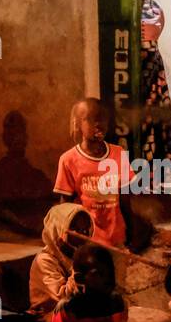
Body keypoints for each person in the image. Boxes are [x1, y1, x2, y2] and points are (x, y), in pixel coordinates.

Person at [53, 98, 130, 248]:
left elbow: (125, 200)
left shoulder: (119, 154)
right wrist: (64, 237)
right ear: (78, 124)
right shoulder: (68, 160)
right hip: (87, 242)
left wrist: (131, 233)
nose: (99, 124)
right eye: (91, 119)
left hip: (116, 239)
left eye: (103, 119)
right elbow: (65, 206)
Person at [29, 203, 93, 322]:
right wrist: (77, 262)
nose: (82, 236)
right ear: (58, 229)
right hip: (50, 321)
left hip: (76, 316)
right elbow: (66, 298)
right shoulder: (45, 261)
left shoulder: (77, 254)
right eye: (75, 229)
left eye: (84, 230)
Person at [139, 0, 171, 173]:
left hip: (154, 70)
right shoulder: (125, 8)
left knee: (158, 122)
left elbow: (153, 40)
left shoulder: (155, 8)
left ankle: (157, 175)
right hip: (136, 73)